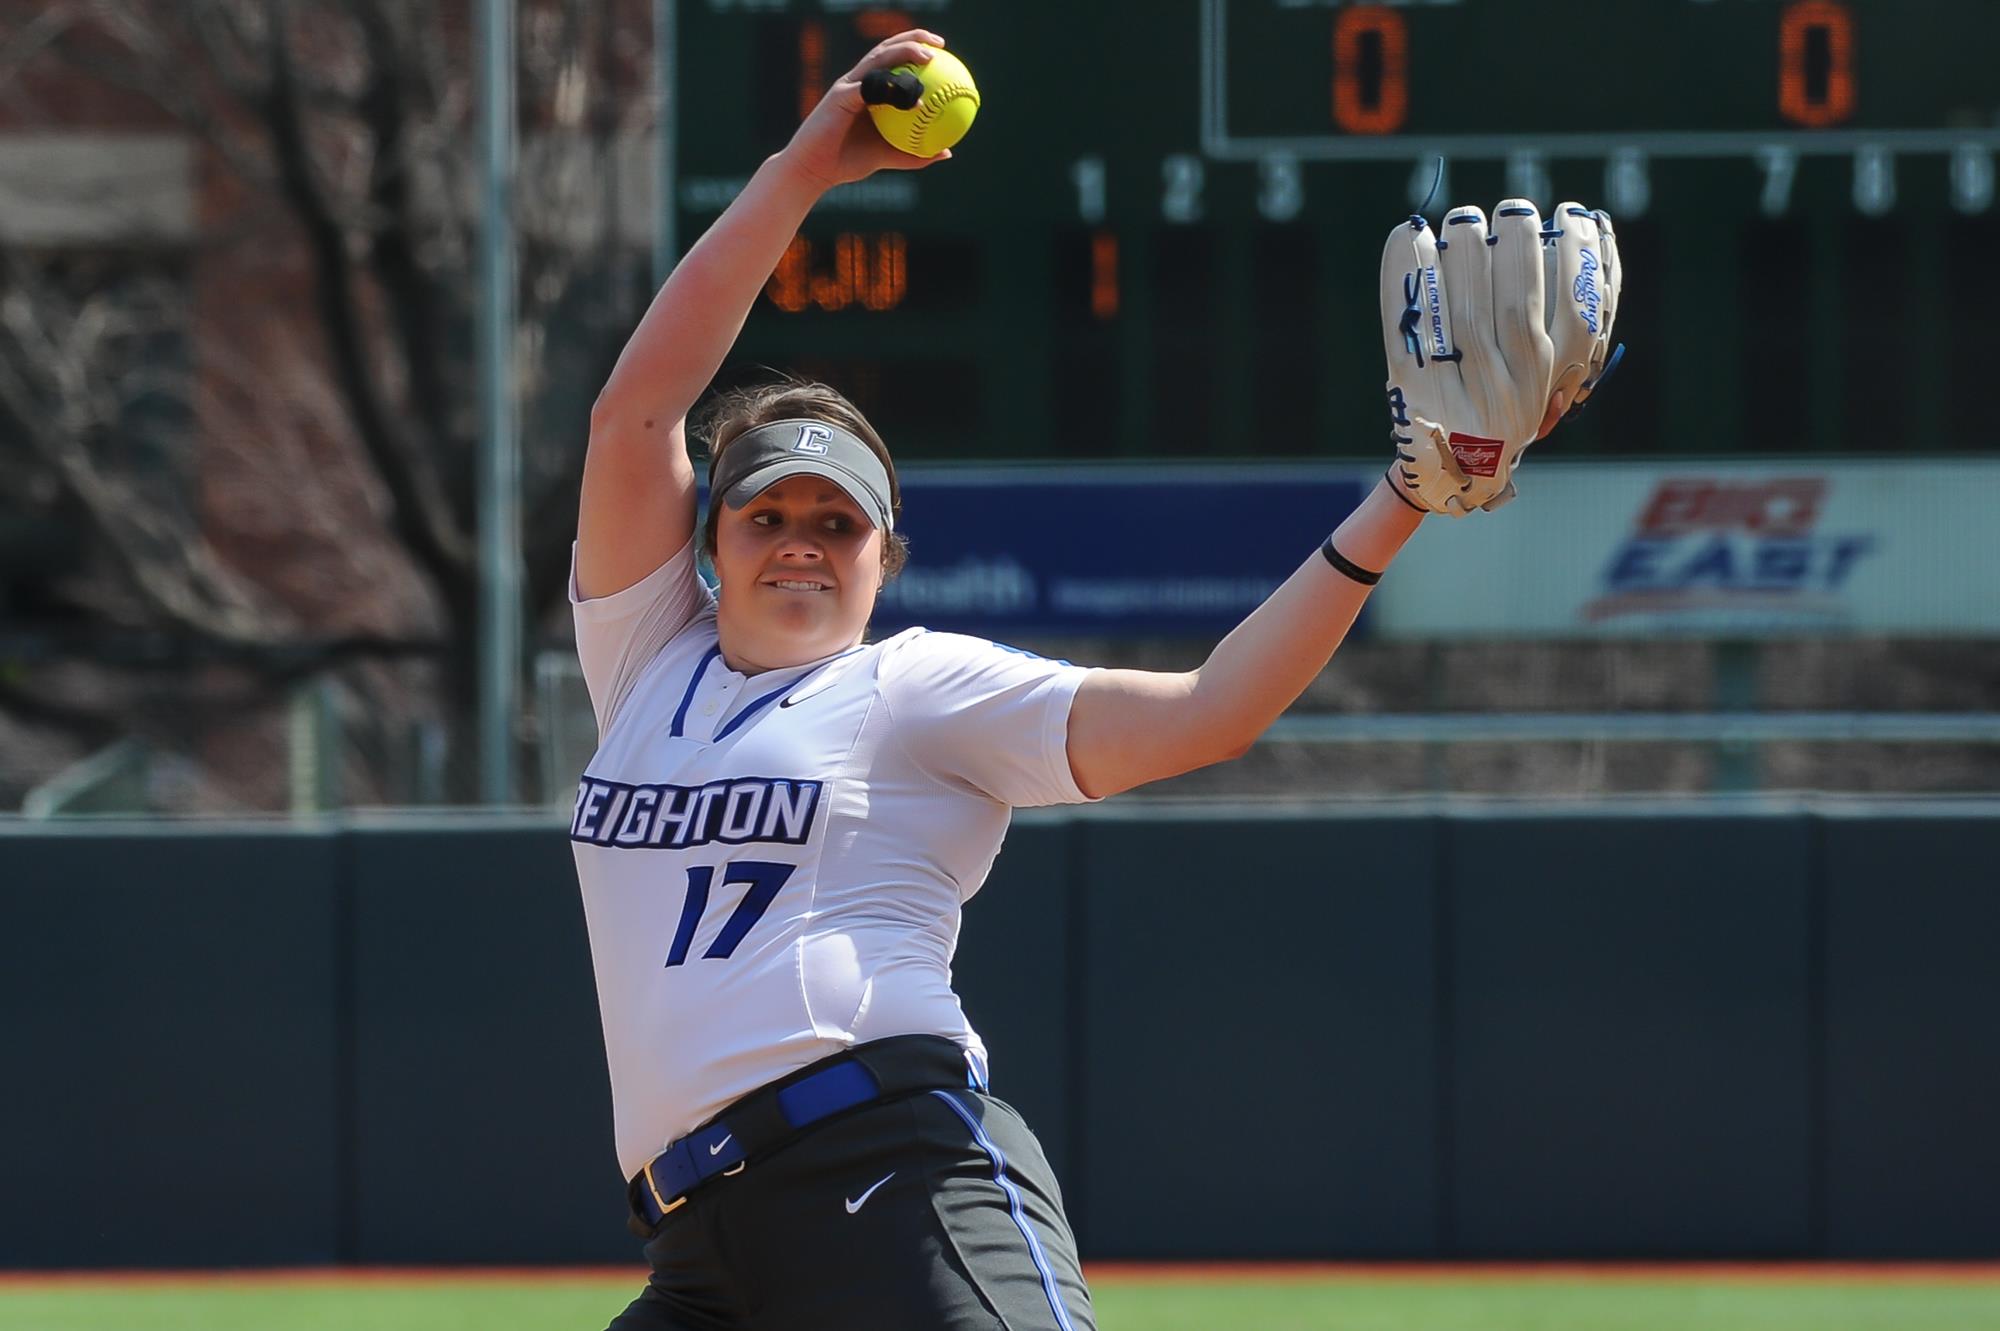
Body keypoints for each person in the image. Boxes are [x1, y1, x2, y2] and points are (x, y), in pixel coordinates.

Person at [571, 30, 1572, 1331]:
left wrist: (1405, 501)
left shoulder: (920, 688)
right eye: (768, 517)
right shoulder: (648, 660)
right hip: (699, 1248)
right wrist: (801, 171)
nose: (803, 541)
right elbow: (635, 415)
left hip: (888, 1178)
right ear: (709, 546)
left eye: (839, 521)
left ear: (887, 556)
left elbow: (1213, 711)